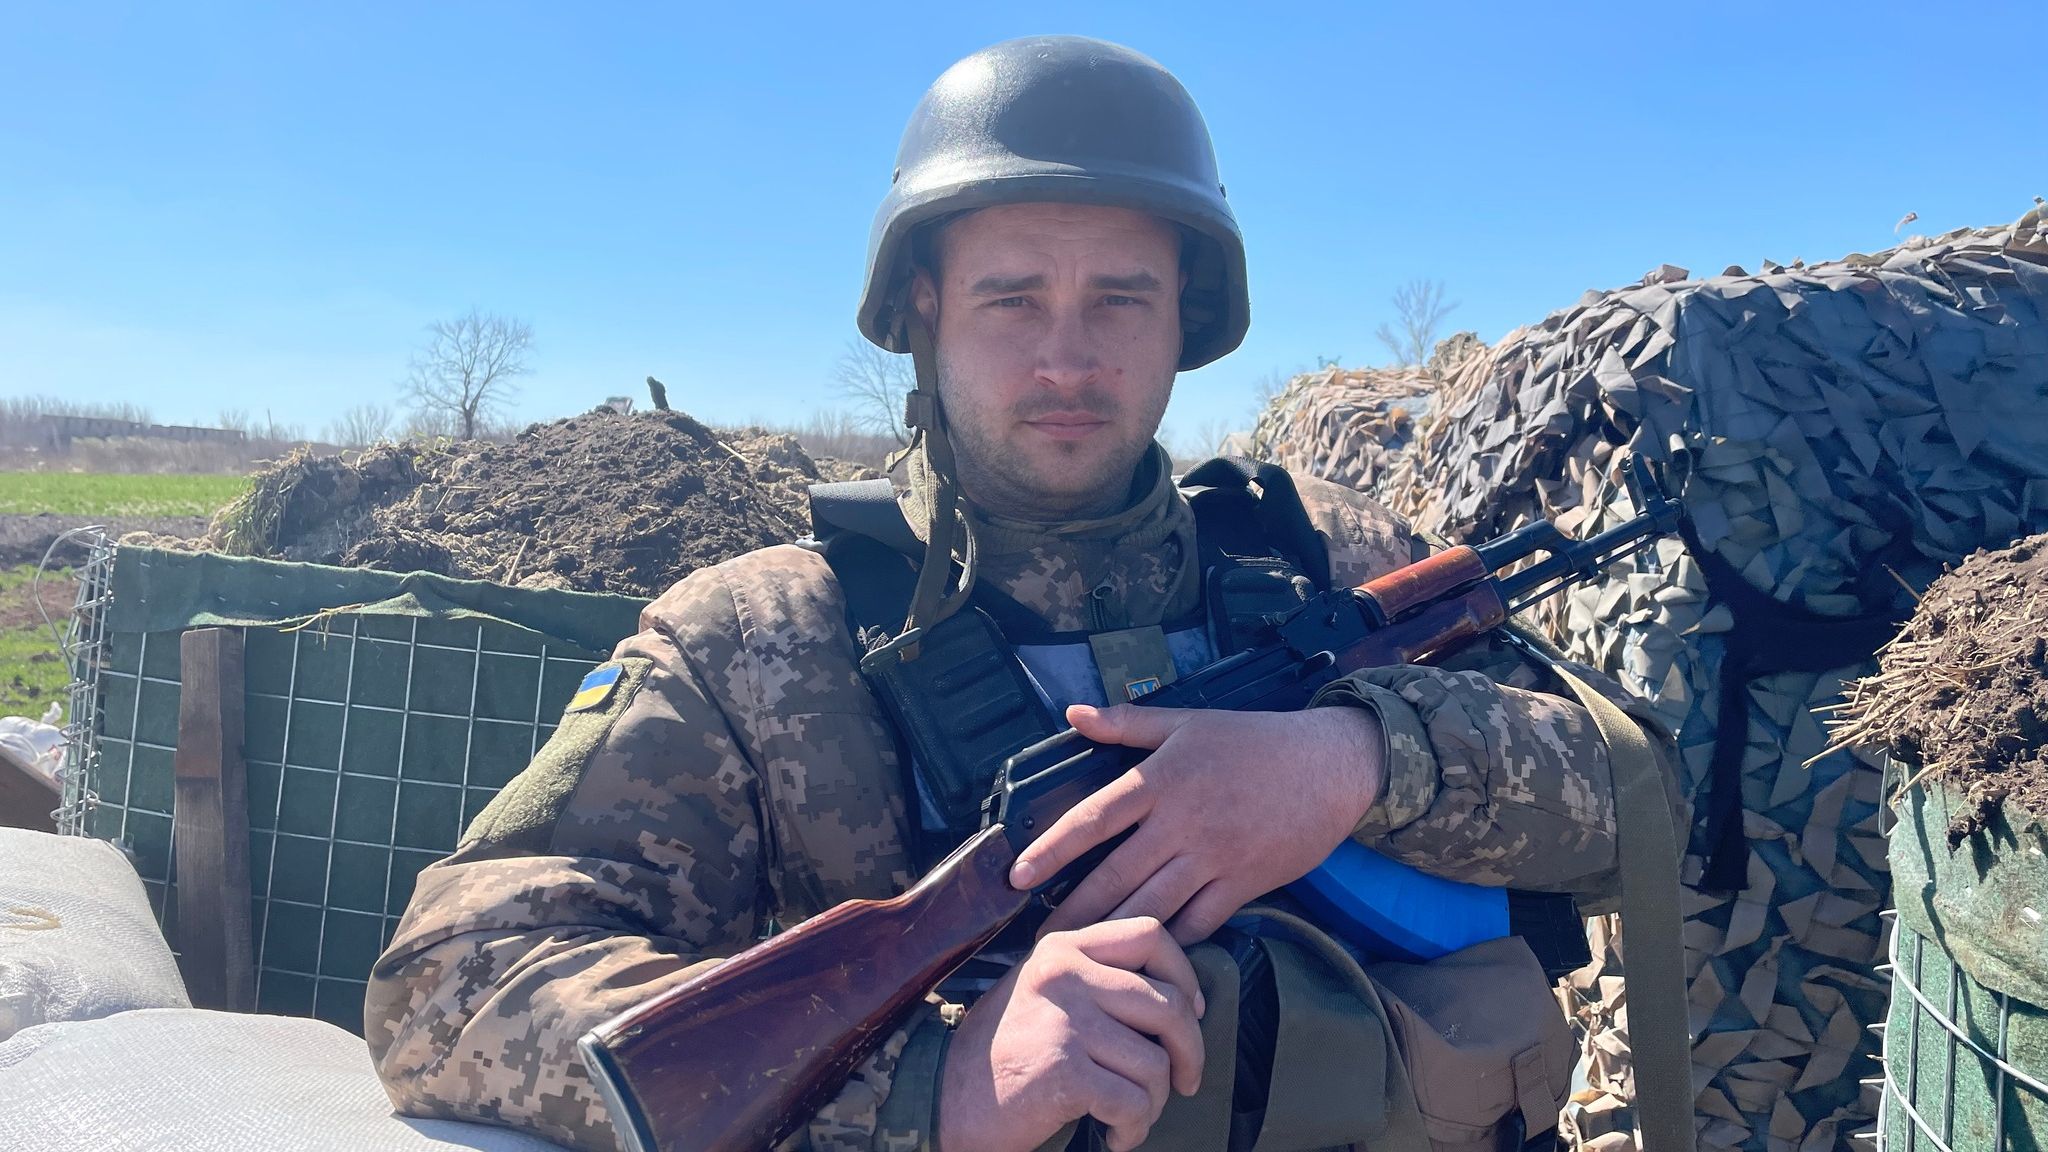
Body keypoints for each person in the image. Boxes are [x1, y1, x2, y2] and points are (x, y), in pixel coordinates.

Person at [367, 35, 1652, 1152]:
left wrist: (1351, 763)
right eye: (1010, 298)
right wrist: (936, 1085)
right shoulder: (755, 646)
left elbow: (1626, 814)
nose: (1066, 357)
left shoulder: (1338, 560)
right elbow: (453, 984)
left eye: (1118, 298)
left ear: (1183, 320)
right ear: (920, 312)